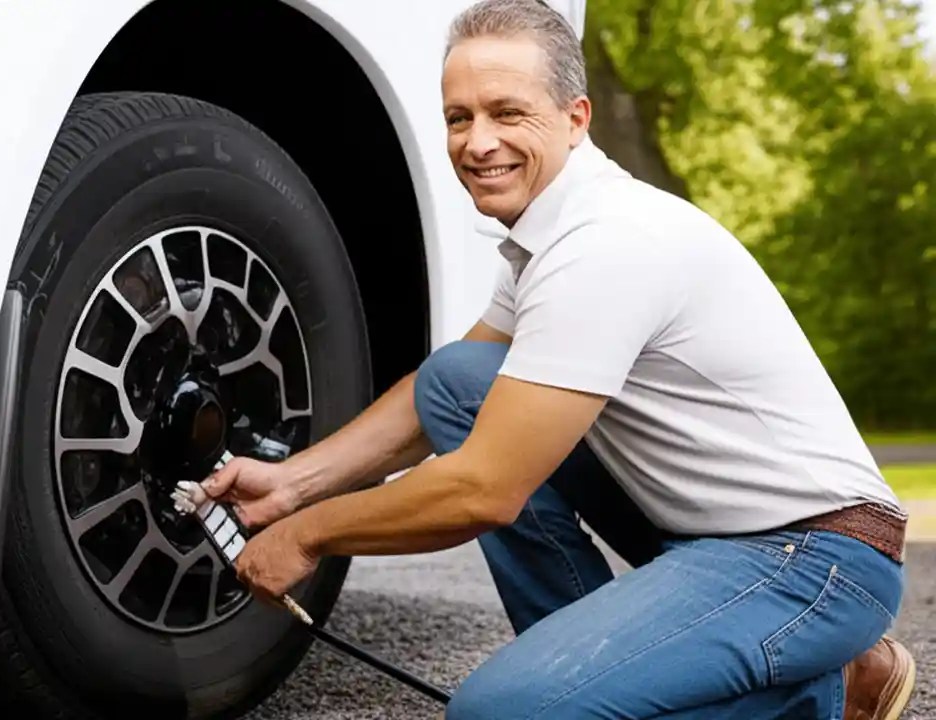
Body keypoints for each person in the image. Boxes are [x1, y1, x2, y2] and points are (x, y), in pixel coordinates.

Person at [204, 0, 914, 717]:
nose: (478, 142)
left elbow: (483, 490)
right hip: (707, 532)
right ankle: (589, 675)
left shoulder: (604, 246)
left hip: (815, 558)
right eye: (459, 117)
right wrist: (292, 485)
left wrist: (310, 535)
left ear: (576, 118)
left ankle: (833, 688)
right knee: (458, 382)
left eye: (507, 113)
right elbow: (440, 394)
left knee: (498, 714)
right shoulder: (549, 234)